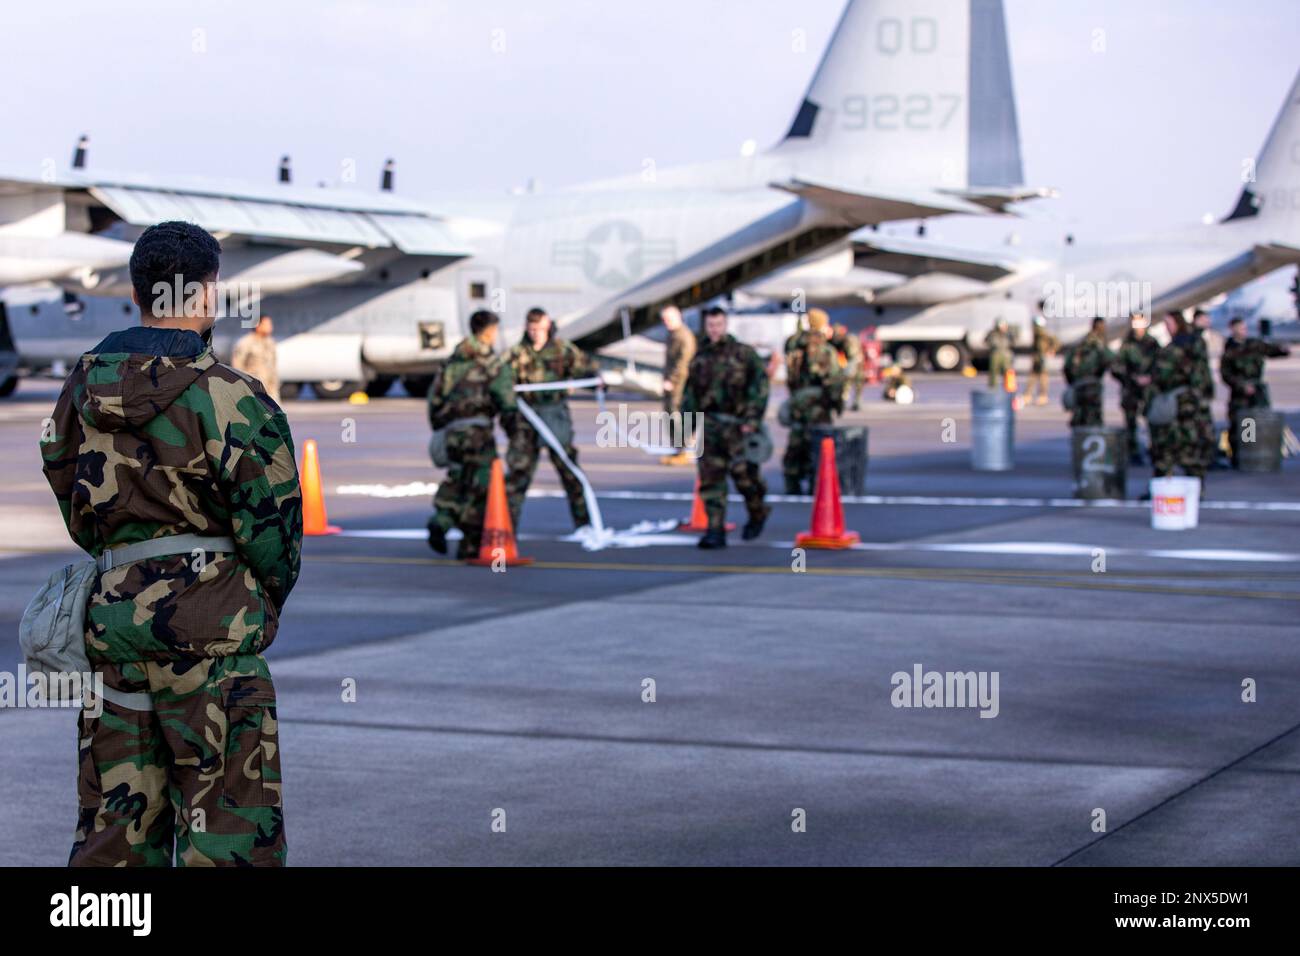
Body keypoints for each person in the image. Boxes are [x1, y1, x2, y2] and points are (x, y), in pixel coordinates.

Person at [40, 220, 302, 866]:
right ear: (207, 295)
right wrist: (247, 600)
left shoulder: (79, 392)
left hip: (115, 633)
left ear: (138, 295)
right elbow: (273, 532)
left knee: (116, 832)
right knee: (229, 831)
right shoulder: (233, 397)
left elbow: (72, 498)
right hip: (214, 640)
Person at [427, 310, 516, 560]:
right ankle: (470, 543)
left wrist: (440, 427)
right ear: (488, 332)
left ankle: (441, 520)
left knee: (457, 478)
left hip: (452, 431)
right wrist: (513, 430)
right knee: (481, 486)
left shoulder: (453, 361)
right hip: (478, 433)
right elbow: (506, 399)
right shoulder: (491, 363)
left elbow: (434, 398)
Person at [682, 306, 770, 549]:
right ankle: (715, 529)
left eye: (718, 325)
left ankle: (758, 513)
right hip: (710, 426)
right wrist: (685, 426)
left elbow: (760, 387)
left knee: (746, 479)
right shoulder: (700, 357)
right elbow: (690, 395)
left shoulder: (743, 354)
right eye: (710, 326)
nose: (714, 330)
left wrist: (752, 420)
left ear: (725, 324)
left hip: (737, 426)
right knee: (711, 480)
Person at [504, 307, 597, 532]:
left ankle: (585, 525)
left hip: (554, 415)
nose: (536, 333)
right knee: (518, 475)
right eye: (532, 329)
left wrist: (596, 380)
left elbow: (585, 368)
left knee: (570, 471)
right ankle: (505, 527)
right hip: (526, 418)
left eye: (541, 329)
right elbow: (501, 380)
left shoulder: (562, 350)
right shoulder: (516, 353)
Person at [782, 309, 844, 494]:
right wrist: (835, 403)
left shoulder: (795, 346)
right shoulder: (827, 350)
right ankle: (817, 488)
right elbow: (834, 382)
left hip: (799, 407)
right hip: (819, 410)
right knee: (820, 451)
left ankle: (792, 489)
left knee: (795, 450)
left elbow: (790, 372)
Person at [1149, 311, 1215, 482]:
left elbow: (1161, 375)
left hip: (1180, 403)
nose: (1167, 328)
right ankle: (1192, 486)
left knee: (1168, 447)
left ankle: (1165, 483)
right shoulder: (1195, 343)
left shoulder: (1175, 349)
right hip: (1192, 403)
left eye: (1169, 324)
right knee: (1191, 447)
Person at [1110, 312, 1159, 464]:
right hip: (1131, 389)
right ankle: (1133, 451)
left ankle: (1155, 450)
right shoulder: (1127, 344)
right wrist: (1132, 378)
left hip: (1149, 389)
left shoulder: (1152, 343)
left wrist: (1150, 378)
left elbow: (1161, 364)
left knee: (1153, 421)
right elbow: (1116, 367)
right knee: (1130, 421)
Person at [1221, 316, 1290, 418]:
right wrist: (1242, 386)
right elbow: (1226, 375)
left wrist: (1282, 349)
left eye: (1245, 328)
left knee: (1261, 422)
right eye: (1241, 328)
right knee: (1244, 426)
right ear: (1233, 329)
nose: (1244, 331)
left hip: (1258, 392)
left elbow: (1269, 350)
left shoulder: (1253, 344)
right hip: (1240, 396)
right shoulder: (1229, 352)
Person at [659, 305, 696, 466]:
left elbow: (683, 363)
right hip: (674, 383)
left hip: (680, 384)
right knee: (671, 415)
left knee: (677, 415)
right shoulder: (673, 335)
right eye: (665, 320)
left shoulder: (683, 336)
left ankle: (683, 450)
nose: (666, 323)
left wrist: (672, 381)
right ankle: (679, 449)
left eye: (669, 319)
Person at [1063, 318, 1113, 427]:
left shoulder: (1081, 342)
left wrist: (1072, 382)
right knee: (1094, 419)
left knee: (1080, 416)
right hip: (1093, 385)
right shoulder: (1099, 344)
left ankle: (1080, 440)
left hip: (1078, 385)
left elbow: (1067, 367)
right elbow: (1110, 360)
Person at [231, 314, 280, 403]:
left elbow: (273, 366)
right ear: (258, 325)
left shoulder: (270, 342)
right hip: (253, 391)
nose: (270, 327)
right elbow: (237, 366)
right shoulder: (246, 343)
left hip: (270, 391)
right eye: (267, 324)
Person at [1025, 305, 1058, 405]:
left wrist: (1051, 350)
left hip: (1041, 358)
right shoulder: (1038, 334)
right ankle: (1029, 395)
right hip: (1037, 358)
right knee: (1033, 377)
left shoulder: (1042, 333)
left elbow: (1055, 341)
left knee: (1042, 378)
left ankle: (1042, 396)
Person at [829, 322, 864, 410]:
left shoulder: (847, 340)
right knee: (851, 384)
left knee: (852, 383)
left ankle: (854, 402)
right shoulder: (843, 339)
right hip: (854, 362)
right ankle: (849, 402)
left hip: (855, 363)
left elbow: (851, 354)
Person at [984, 318, 1014, 389]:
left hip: (1006, 355)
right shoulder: (993, 333)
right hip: (996, 354)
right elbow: (986, 341)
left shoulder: (1008, 333)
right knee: (993, 372)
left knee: (1008, 372)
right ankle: (993, 388)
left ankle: (1009, 388)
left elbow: (1013, 342)